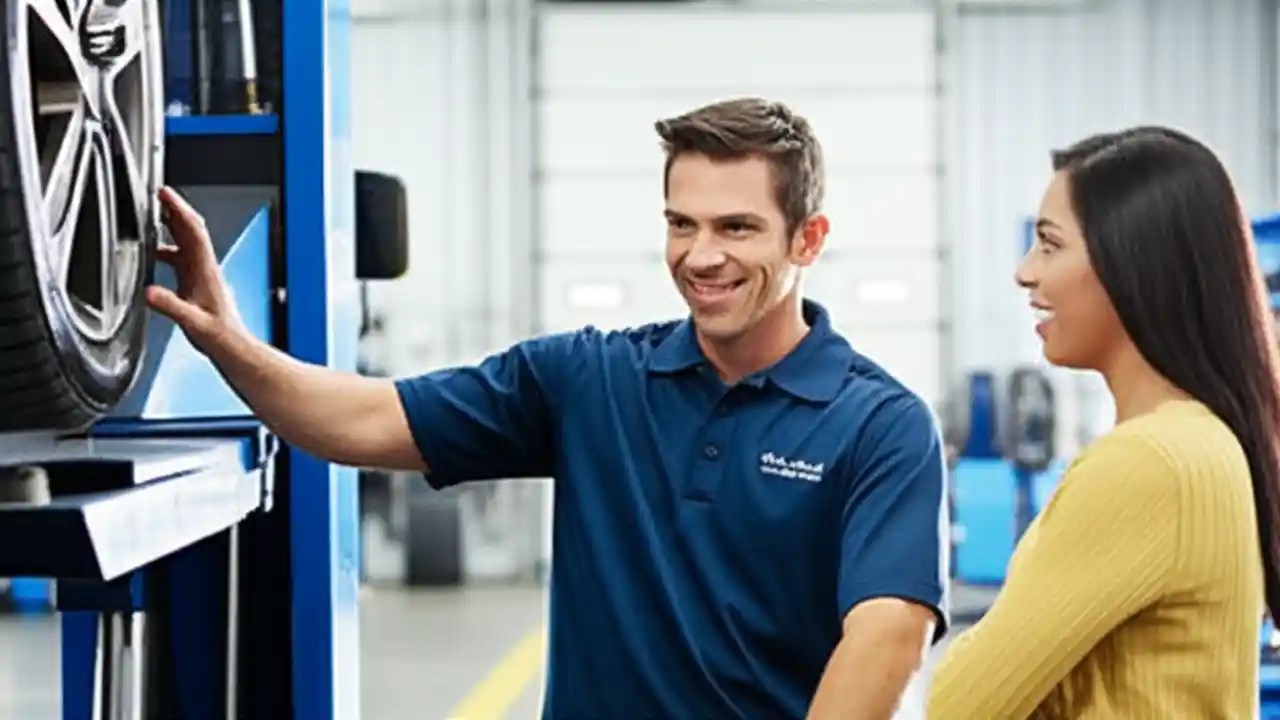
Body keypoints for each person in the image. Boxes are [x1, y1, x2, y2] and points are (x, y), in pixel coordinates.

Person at [148, 96, 951, 719]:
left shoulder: (881, 425)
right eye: (681, 224)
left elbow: (887, 635)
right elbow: (361, 420)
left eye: (737, 228)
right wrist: (229, 342)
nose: (701, 256)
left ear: (807, 240)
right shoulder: (587, 378)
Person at [926, 126, 1280, 719]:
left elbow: (959, 706)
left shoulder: (1146, 464)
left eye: (1050, 245)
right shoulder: (1207, 442)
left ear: (1130, 264)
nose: (1024, 273)